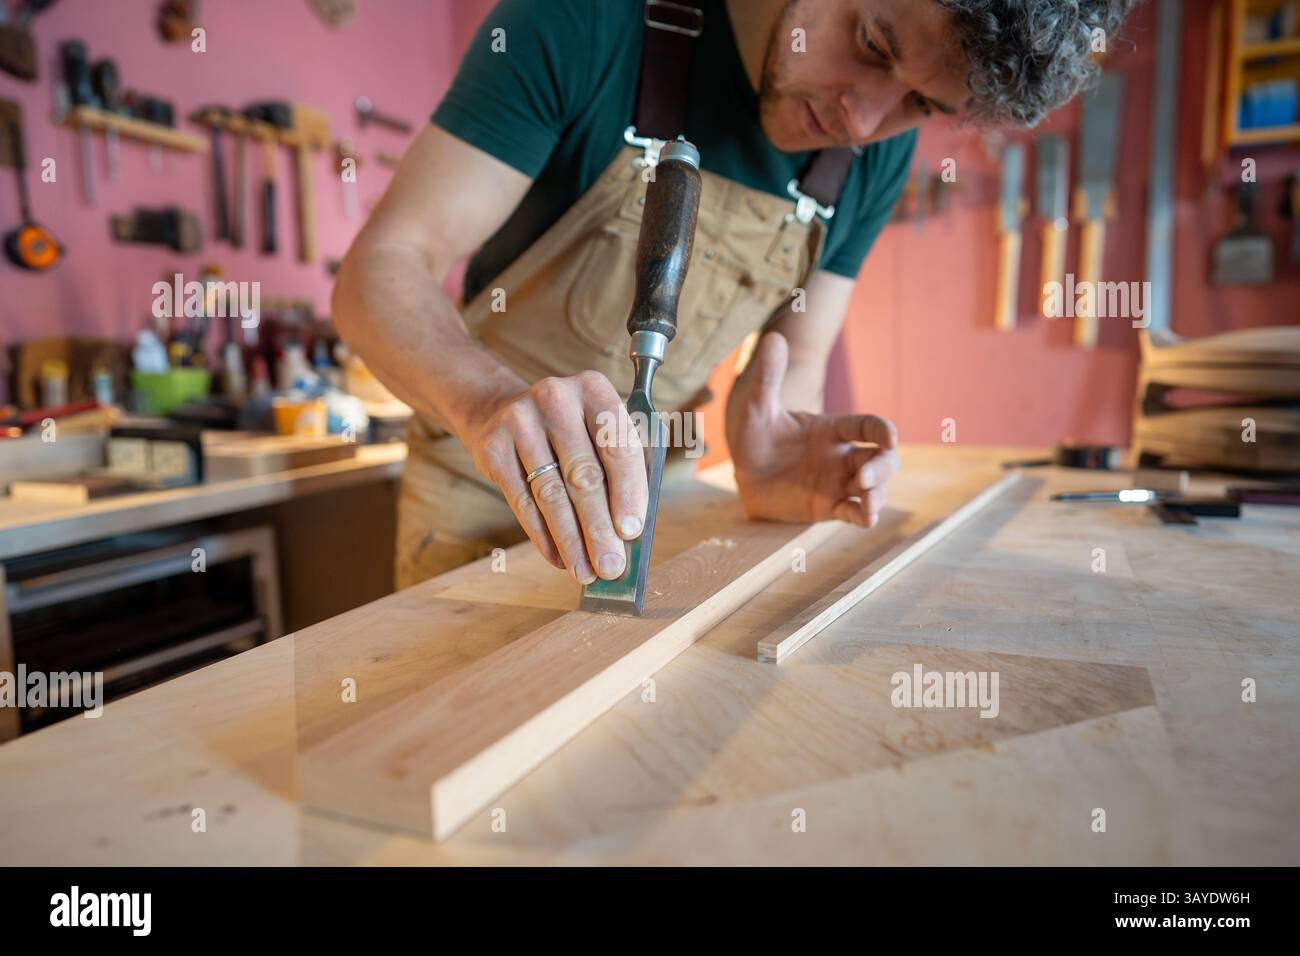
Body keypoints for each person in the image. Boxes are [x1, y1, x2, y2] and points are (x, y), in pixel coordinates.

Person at [332, 0, 1137, 590]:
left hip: (664, 505)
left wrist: (774, 457)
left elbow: (800, 362)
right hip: (478, 503)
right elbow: (382, 267)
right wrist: (483, 404)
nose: (861, 122)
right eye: (869, 43)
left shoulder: (871, 159)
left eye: (922, 104)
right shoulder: (583, 23)